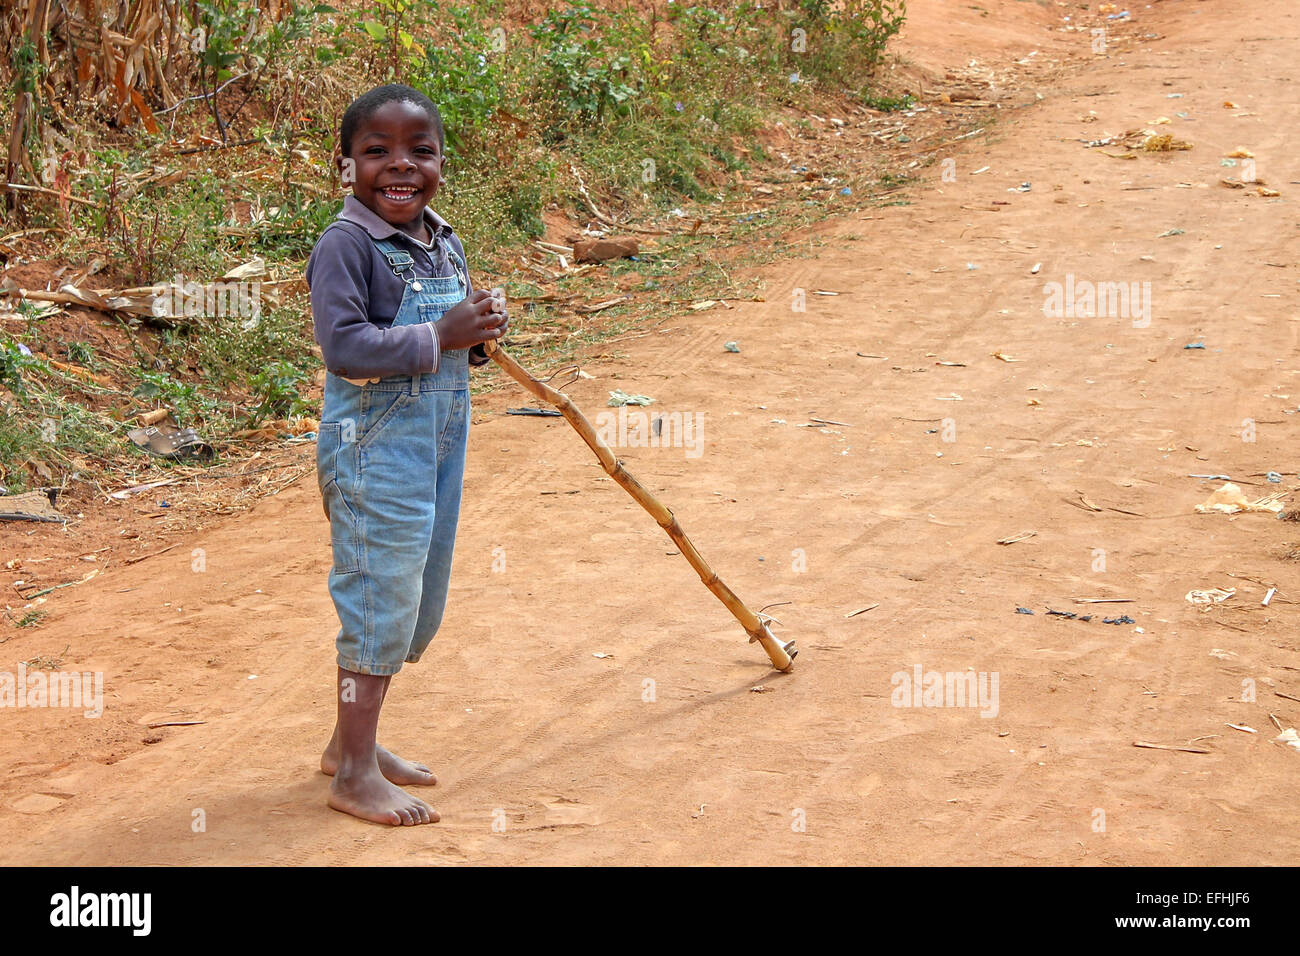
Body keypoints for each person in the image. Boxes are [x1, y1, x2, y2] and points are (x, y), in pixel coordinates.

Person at [305, 84, 507, 826]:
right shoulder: (346, 246)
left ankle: (346, 742)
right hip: (373, 453)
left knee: (417, 606)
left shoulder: (441, 238)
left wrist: (477, 333)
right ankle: (354, 774)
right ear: (346, 164)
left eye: (420, 151)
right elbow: (345, 346)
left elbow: (453, 340)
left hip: (436, 447)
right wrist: (441, 335)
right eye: (377, 151)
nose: (401, 166)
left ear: (441, 162)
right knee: (377, 603)